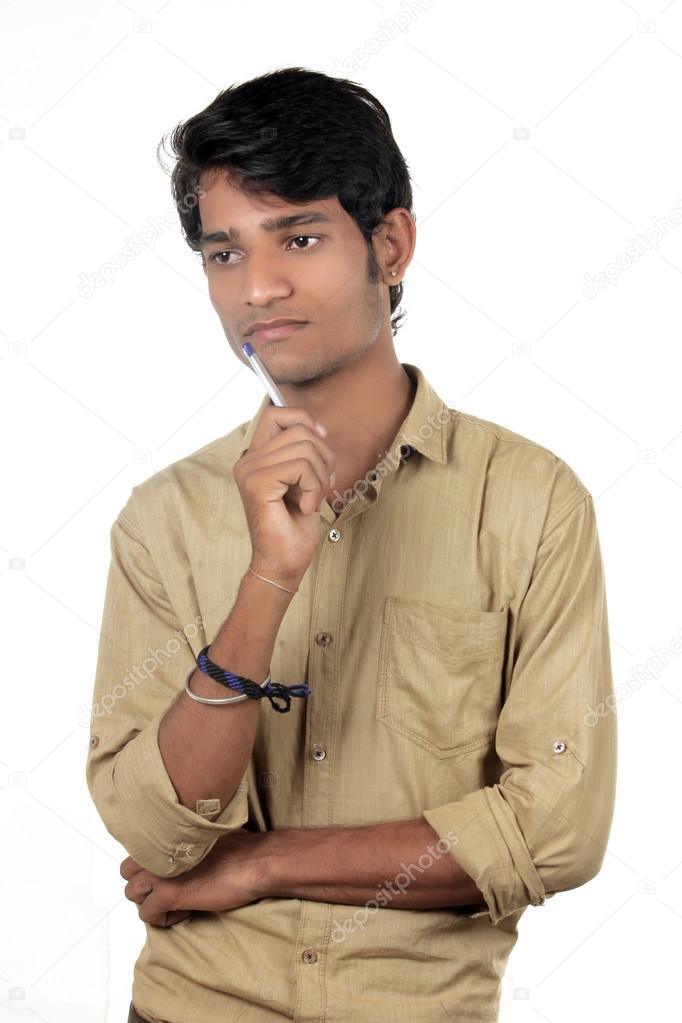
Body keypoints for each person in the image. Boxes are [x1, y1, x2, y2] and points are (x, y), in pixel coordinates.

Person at [85, 66, 617, 1023]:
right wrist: (266, 581)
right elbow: (154, 834)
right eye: (223, 254)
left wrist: (260, 863)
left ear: (391, 243)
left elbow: (557, 831)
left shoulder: (531, 503)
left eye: (298, 236)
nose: (260, 286)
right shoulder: (162, 518)